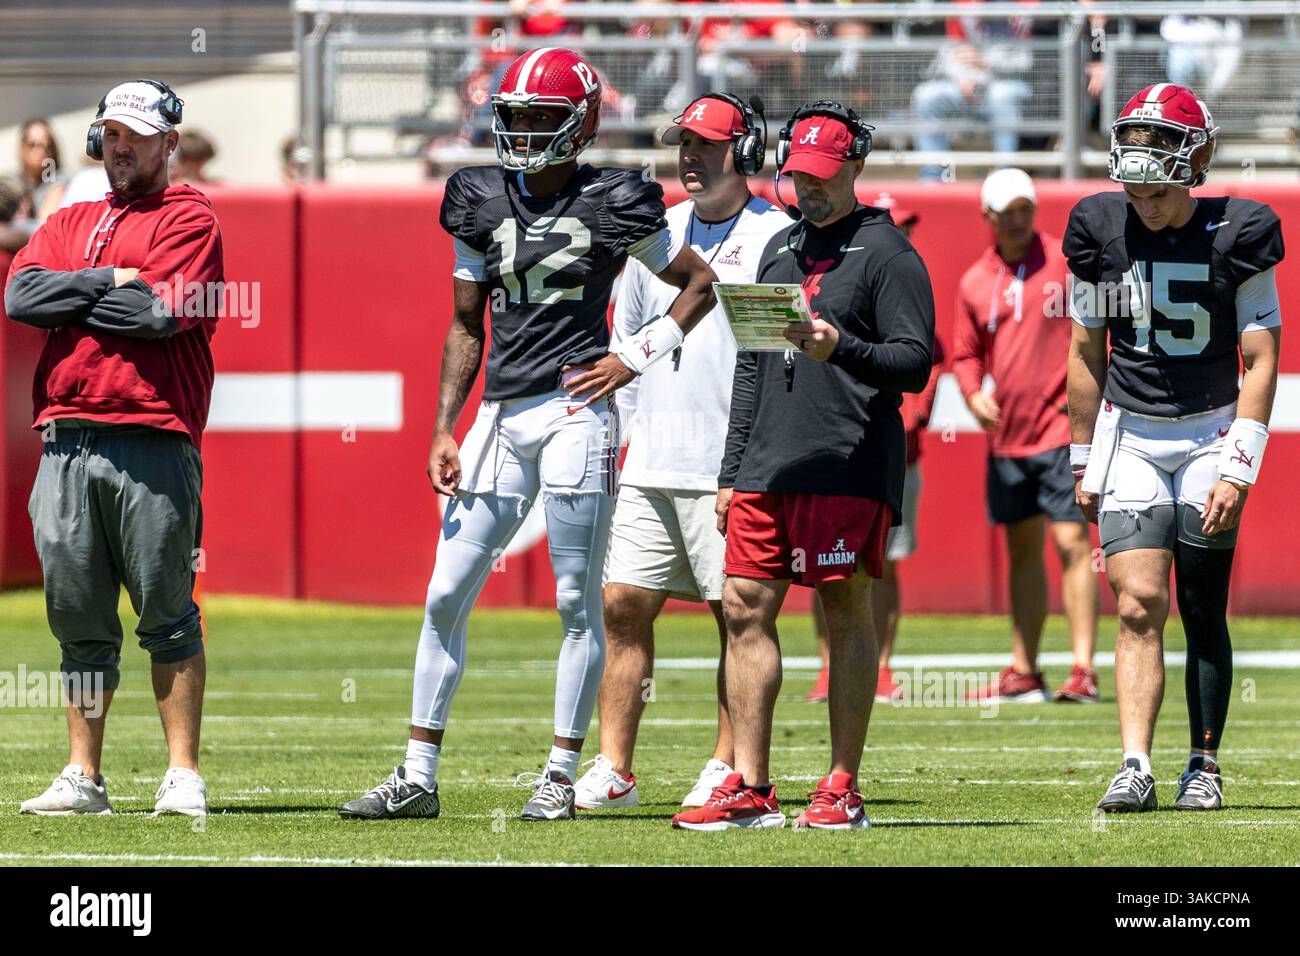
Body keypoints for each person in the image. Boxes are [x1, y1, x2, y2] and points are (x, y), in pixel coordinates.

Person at [339, 48, 718, 823]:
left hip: (577, 411)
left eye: (541, 118)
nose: (522, 132)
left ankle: (558, 773)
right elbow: (464, 323)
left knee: (578, 602)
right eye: (514, 117)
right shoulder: (476, 196)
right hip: (499, 417)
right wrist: (446, 423)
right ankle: (417, 773)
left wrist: (631, 357)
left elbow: (700, 286)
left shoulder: (617, 199)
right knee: (445, 592)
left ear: (580, 124)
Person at [672, 101, 935, 830]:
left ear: (855, 167)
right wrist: (731, 469)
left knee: (843, 606)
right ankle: (750, 785)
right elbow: (752, 366)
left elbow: (915, 365)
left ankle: (842, 783)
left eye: (822, 175)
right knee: (741, 608)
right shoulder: (778, 249)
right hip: (767, 463)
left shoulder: (889, 253)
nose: (809, 188)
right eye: (798, 175)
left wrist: (838, 346)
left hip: (847, 460)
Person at [6, 80, 223, 817]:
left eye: (134, 133)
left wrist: (77, 292)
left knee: (167, 613)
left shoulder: (189, 216)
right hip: (65, 437)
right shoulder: (72, 216)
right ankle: (84, 776)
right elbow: (20, 296)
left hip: (152, 436)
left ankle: (182, 774)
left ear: (169, 142)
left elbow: (160, 312)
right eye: (111, 132)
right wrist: (105, 280)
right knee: (77, 618)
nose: (119, 145)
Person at [1065, 84, 1283, 811]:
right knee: (1136, 604)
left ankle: (1204, 763)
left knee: (1200, 604)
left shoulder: (1241, 231)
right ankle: (1134, 764)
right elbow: (1085, 351)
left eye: (1158, 175)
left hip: (1211, 431)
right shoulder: (1097, 226)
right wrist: (1080, 454)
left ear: (1195, 161)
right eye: (1136, 176)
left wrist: (1240, 466)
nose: (1144, 192)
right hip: (1129, 431)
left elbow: (1262, 357)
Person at [572, 93, 788, 812]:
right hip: (654, 458)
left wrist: (752, 459)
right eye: (683, 144)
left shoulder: (775, 237)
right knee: (623, 606)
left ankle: (727, 762)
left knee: (738, 616)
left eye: (707, 145)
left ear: (745, 153)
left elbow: (778, 355)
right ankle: (615, 767)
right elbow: (626, 341)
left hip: (732, 460)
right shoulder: (656, 233)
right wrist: (631, 440)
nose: (690, 157)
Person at [954, 168, 1100, 704]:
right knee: (1022, 551)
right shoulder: (973, 281)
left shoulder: (1066, 262)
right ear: (988, 216)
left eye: (1026, 208)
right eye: (1008, 211)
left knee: (1071, 541)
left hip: (1065, 430)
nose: (1019, 220)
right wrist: (972, 396)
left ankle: (1083, 668)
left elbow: (1100, 329)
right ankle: (1025, 667)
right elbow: (965, 355)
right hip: (1008, 439)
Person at [807, 196, 942, 705]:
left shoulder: (905, 279)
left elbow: (929, 361)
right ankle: (826, 665)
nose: (900, 233)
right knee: (825, 566)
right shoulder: (844, 277)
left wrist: (915, 416)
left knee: (886, 564)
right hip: (839, 443)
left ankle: (882, 664)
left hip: (893, 450)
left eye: (906, 224)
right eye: (894, 224)